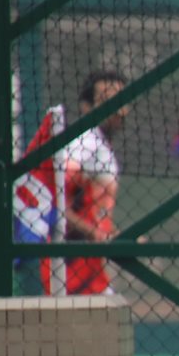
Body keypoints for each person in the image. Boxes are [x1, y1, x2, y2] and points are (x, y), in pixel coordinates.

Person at [60, 69, 127, 296]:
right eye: (105, 100)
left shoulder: (100, 145)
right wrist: (97, 235)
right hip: (72, 266)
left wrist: (111, 234)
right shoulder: (86, 144)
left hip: (91, 270)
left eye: (121, 100)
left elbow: (90, 208)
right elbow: (55, 201)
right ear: (86, 107)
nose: (118, 109)